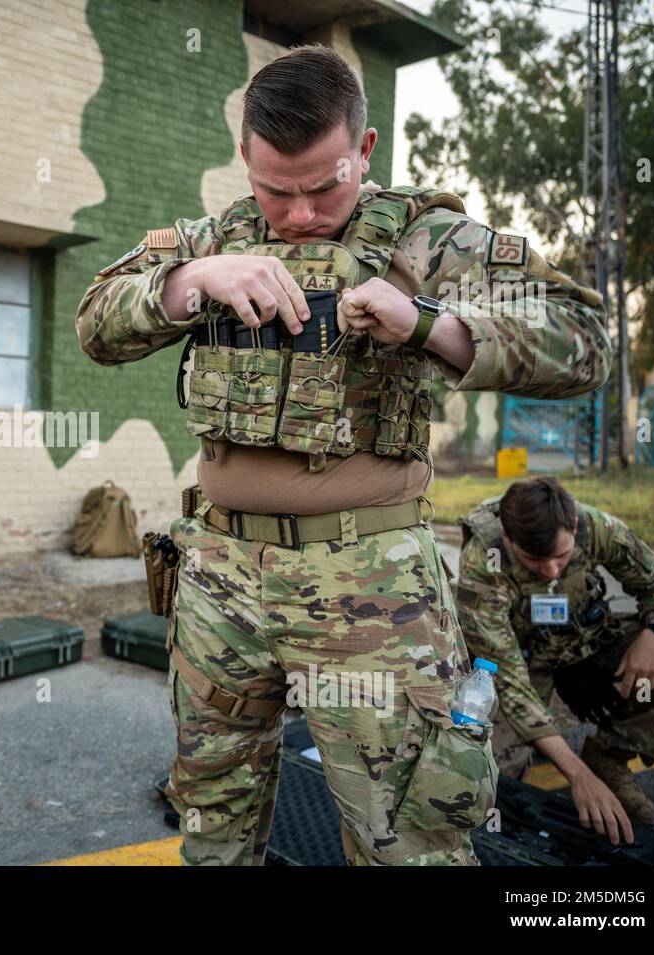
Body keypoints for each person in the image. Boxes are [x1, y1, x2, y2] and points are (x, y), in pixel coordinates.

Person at [75, 45, 612, 865]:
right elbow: (97, 320)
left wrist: (431, 322)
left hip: (371, 585)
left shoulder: (431, 239)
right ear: (247, 158)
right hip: (219, 573)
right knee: (212, 824)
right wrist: (192, 278)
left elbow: (587, 339)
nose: (297, 215)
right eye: (274, 190)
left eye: (324, 187)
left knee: (408, 835)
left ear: (363, 151)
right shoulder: (216, 238)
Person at [456, 476, 654, 841]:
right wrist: (577, 776)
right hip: (523, 664)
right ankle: (576, 766)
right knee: (487, 779)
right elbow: (509, 683)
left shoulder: (596, 526)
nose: (551, 571)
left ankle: (609, 758)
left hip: (589, 645)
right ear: (507, 537)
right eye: (534, 560)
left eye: (561, 557)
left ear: (575, 527)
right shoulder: (482, 562)